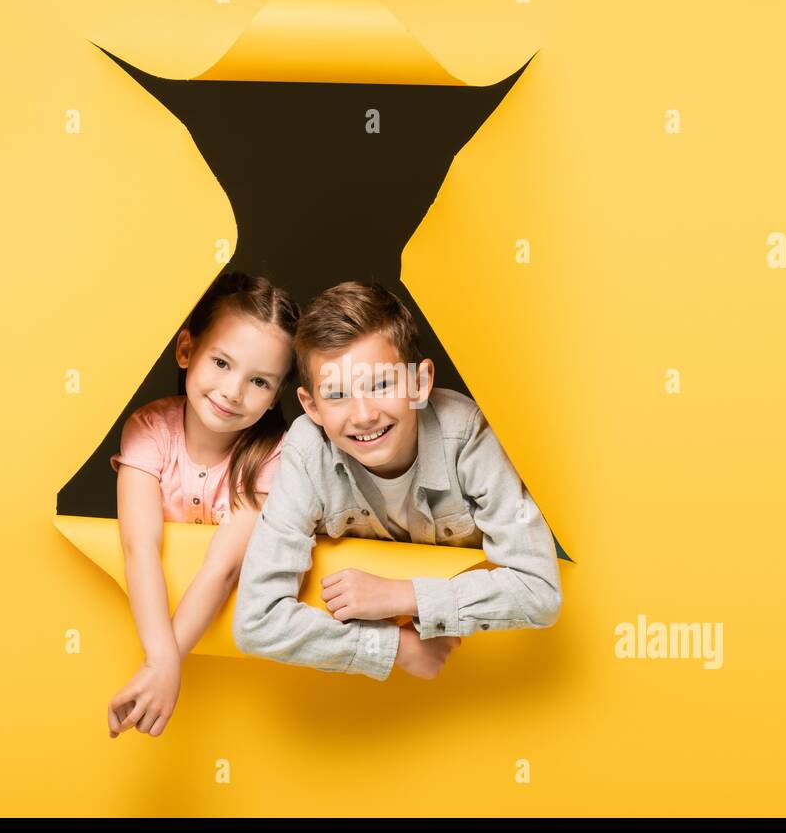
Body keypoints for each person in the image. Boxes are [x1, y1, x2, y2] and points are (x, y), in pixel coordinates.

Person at [233, 281, 561, 681]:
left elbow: (539, 590)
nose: (364, 415)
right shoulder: (307, 449)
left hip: (486, 683)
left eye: (382, 384)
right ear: (311, 406)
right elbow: (256, 621)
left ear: (420, 383)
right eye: (336, 395)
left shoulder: (466, 434)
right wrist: (395, 647)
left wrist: (401, 595)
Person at [107, 271, 298, 737]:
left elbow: (224, 567)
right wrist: (161, 663)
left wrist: (162, 667)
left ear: (276, 396)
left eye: (259, 381)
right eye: (221, 362)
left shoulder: (276, 455)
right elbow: (139, 546)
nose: (233, 391)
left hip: (242, 685)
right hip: (146, 641)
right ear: (186, 349)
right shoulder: (149, 429)